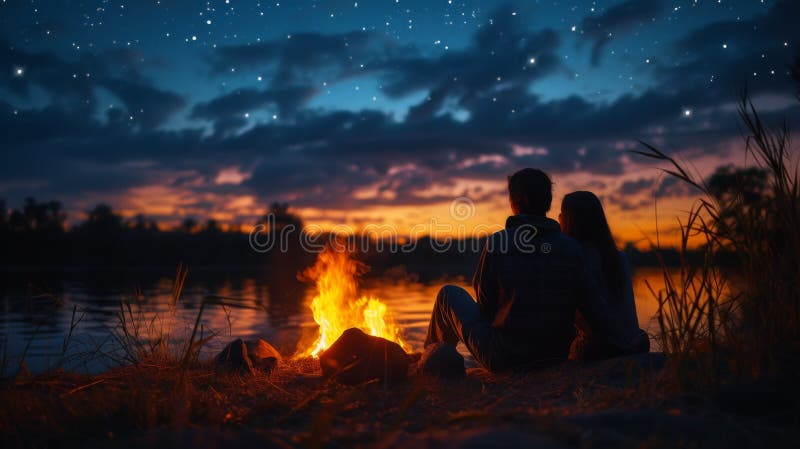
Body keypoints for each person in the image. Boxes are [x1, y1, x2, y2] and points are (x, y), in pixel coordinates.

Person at [424, 168, 624, 372]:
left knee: (448, 294)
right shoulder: (571, 247)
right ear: (548, 201)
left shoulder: (498, 242)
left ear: (515, 202)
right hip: (555, 356)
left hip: (505, 358)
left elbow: (486, 308)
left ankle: (429, 361)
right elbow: (593, 309)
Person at [559, 191, 650, 360]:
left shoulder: (575, 260)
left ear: (570, 221)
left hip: (604, 347)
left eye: (562, 215)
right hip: (634, 341)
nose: (558, 218)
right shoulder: (619, 257)